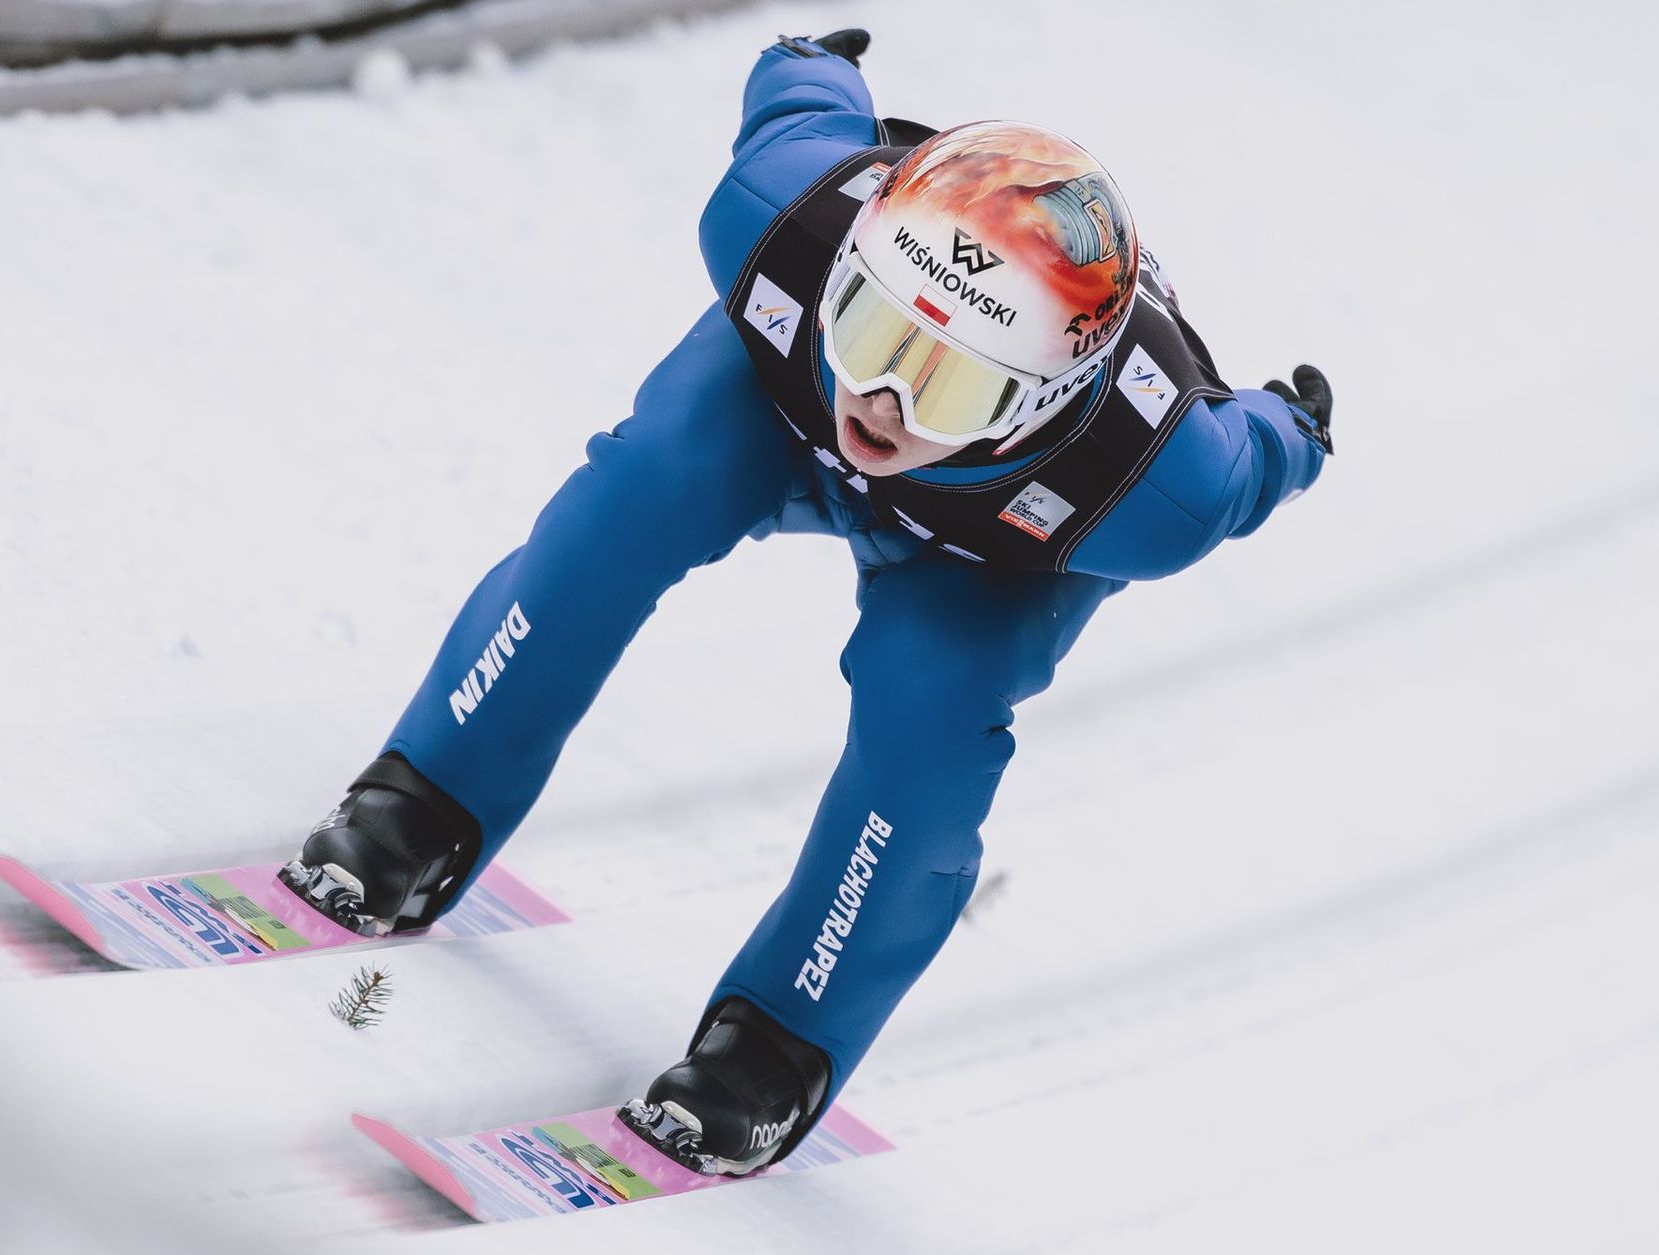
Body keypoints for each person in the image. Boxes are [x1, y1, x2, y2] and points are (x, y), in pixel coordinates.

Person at [279, 28, 1333, 1176]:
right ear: (848, 269)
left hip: (991, 553)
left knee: (927, 725)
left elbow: (1247, 466)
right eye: (875, 328)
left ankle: (780, 1042)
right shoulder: (782, 217)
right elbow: (799, 106)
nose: (881, 401)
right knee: (633, 498)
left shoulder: (1155, 485)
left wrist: (1292, 429)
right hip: (780, 411)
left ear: (1046, 401)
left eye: (950, 383)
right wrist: (810, 58)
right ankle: (427, 800)